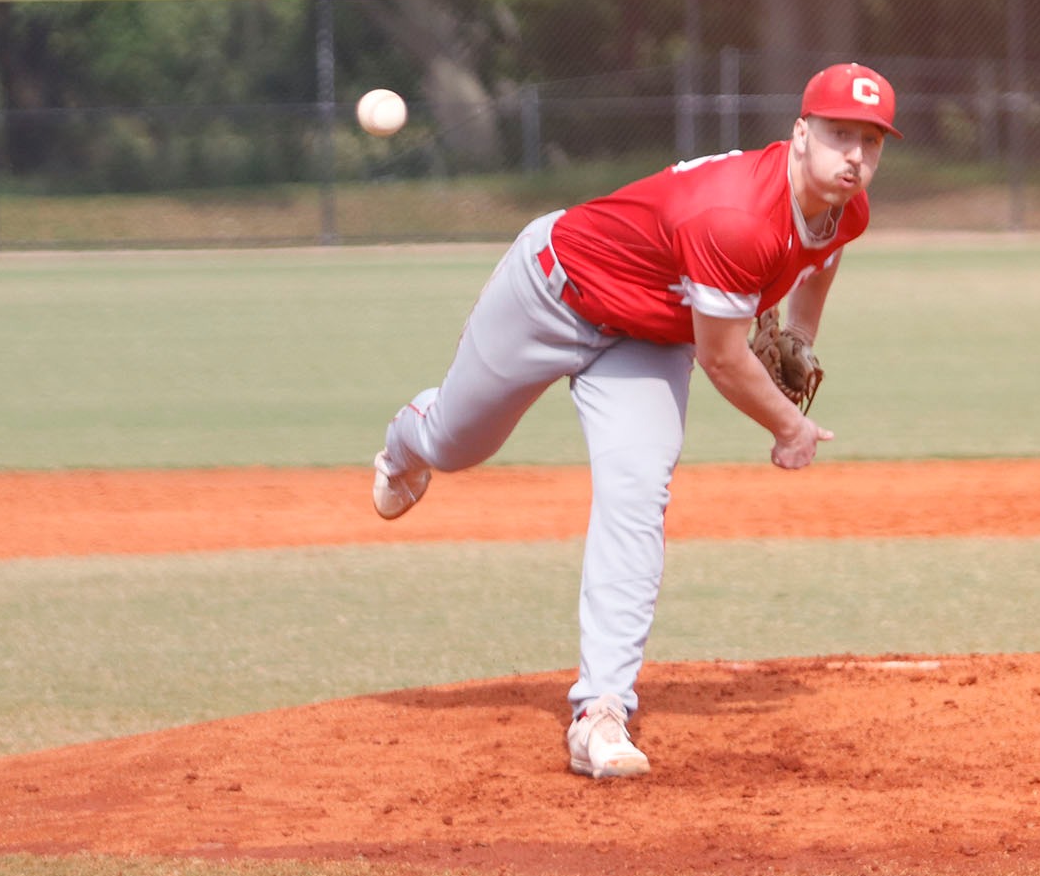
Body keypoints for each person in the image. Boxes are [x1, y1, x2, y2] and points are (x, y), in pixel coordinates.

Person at [371, 63, 899, 778]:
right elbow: (722, 359)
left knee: (636, 491)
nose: (856, 157)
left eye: (871, 141)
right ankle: (408, 441)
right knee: (456, 443)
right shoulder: (737, 217)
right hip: (552, 290)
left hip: (646, 339)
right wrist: (788, 425)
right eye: (841, 135)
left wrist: (799, 339)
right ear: (800, 133)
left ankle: (600, 710)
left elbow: (820, 257)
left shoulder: (847, 207)